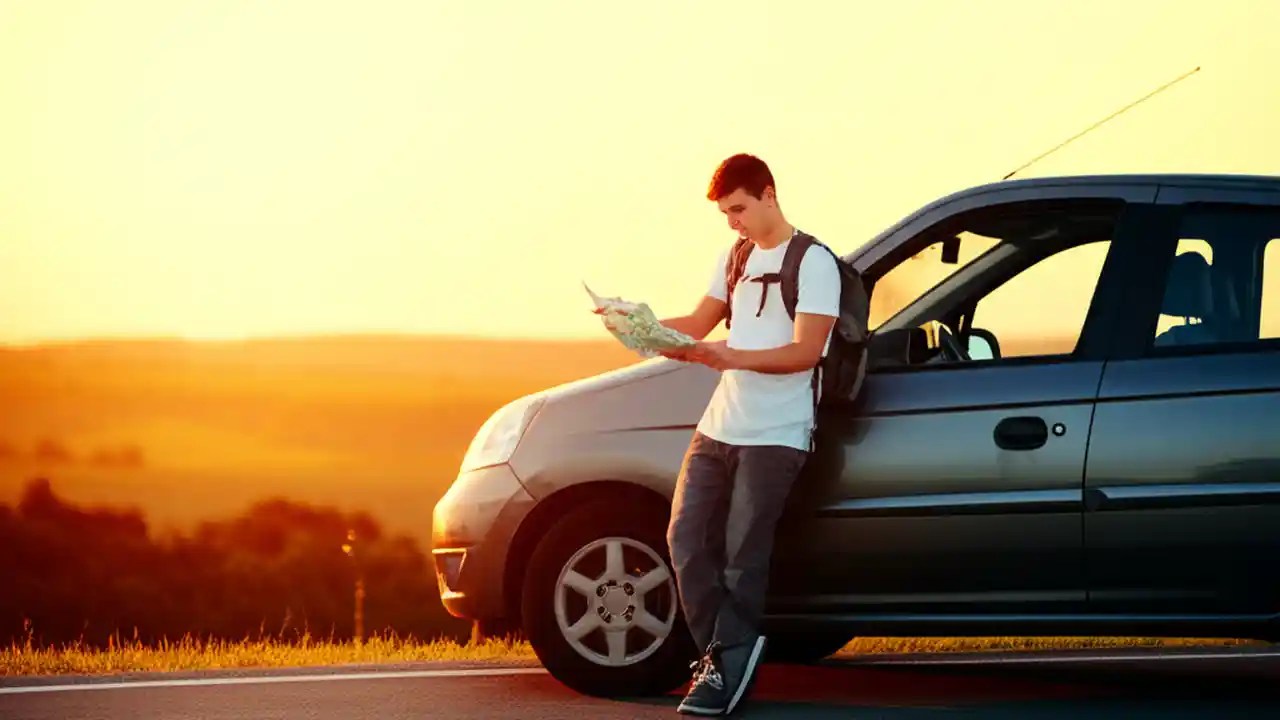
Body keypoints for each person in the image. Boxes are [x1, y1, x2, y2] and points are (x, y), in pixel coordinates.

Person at [657, 153, 840, 715]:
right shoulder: (734, 256)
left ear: (768, 194)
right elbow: (697, 325)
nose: (733, 222)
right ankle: (726, 654)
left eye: (738, 209)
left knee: (742, 553)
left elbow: (806, 352)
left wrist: (730, 356)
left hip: (777, 433)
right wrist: (641, 327)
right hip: (719, 427)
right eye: (725, 214)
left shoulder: (814, 263)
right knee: (683, 540)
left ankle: (722, 668)